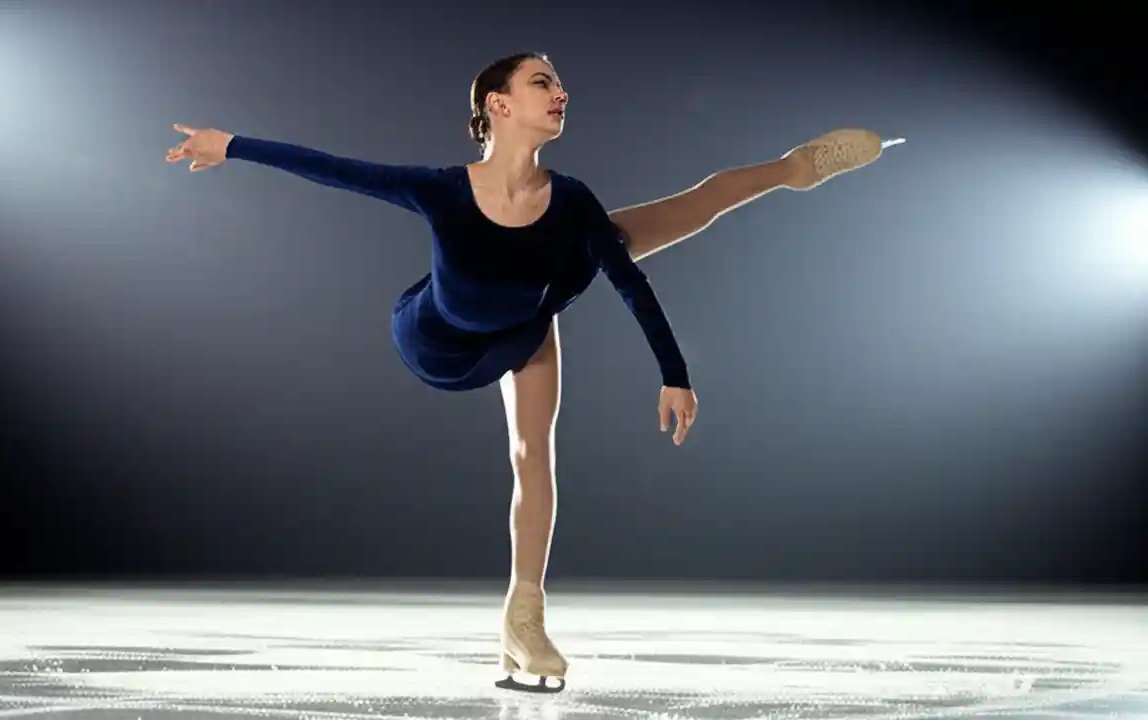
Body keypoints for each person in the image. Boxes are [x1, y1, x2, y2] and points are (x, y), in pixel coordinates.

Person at [165, 51, 897, 693]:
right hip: (434, 339)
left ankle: (525, 617)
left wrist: (674, 373)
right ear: (499, 104)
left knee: (538, 451)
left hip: (528, 323)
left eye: (562, 84)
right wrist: (229, 145)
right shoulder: (445, 190)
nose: (561, 93)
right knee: (599, 242)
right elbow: (333, 169)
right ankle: (783, 175)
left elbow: (630, 285)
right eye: (543, 81)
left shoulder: (572, 199)